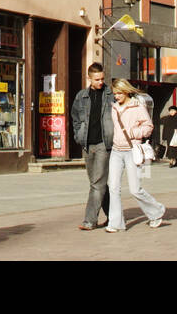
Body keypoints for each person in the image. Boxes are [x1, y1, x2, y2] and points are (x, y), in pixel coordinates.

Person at [106, 79, 165, 232]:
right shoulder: (114, 108)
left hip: (132, 150)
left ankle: (156, 212)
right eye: (115, 94)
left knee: (135, 189)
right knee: (113, 188)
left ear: (126, 91)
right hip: (116, 150)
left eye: (119, 93)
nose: (117, 96)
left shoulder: (137, 106)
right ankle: (115, 223)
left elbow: (148, 126)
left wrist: (134, 133)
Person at [69, 62, 113, 230]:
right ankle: (114, 215)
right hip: (87, 144)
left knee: (97, 183)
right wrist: (79, 135)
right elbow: (75, 118)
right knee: (98, 183)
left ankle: (89, 221)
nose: (100, 82)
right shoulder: (81, 96)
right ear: (89, 78)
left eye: (102, 78)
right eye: (97, 79)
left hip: (104, 143)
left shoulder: (111, 94)